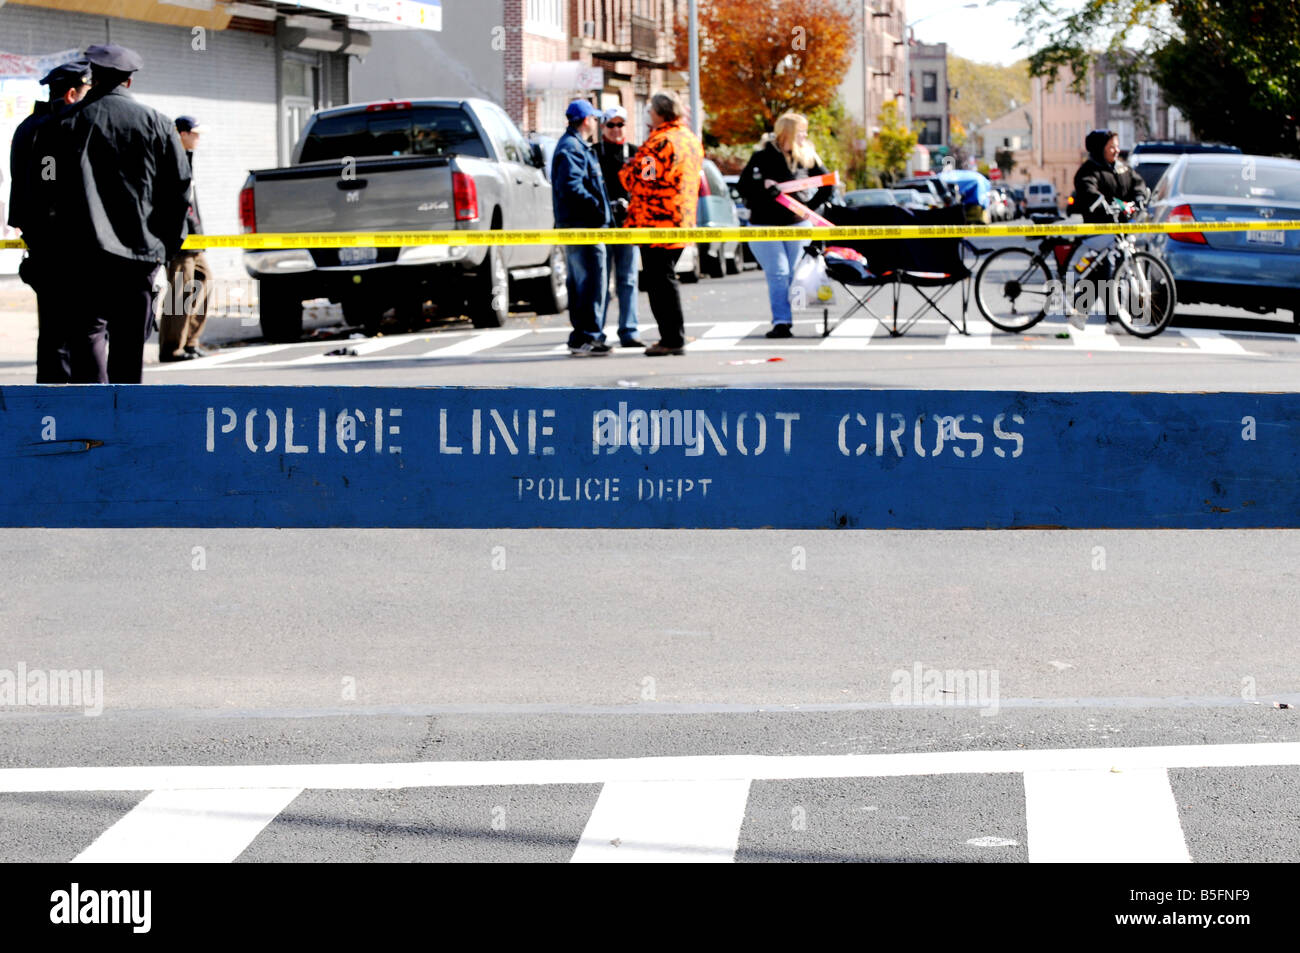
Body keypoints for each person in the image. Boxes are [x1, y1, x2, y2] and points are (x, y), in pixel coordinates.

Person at [41, 44, 190, 384]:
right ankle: (125, 421)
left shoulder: (63, 124)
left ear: (92, 77)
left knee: (87, 337)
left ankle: (93, 421)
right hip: (138, 256)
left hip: (80, 256)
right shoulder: (158, 124)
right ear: (129, 82)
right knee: (129, 343)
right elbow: (179, 189)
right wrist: (165, 247)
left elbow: (46, 188)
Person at [7, 60, 92, 383]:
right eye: (86, 92)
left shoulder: (27, 126)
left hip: (41, 244)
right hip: (69, 244)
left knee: (53, 331)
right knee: (77, 333)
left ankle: (51, 403)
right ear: (72, 94)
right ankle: (71, 408)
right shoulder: (60, 127)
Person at [618, 91, 703, 356]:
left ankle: (672, 338)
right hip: (680, 220)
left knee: (660, 283)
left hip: (655, 222)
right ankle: (673, 336)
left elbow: (642, 181)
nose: (647, 115)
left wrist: (625, 169)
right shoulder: (690, 139)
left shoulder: (659, 143)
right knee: (664, 280)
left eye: (650, 111)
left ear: (658, 113)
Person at [736, 112, 834, 338]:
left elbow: (827, 184)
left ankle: (787, 315)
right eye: (801, 131)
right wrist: (764, 187)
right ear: (787, 132)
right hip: (764, 225)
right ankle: (782, 322)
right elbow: (743, 187)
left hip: (797, 225)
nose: (805, 135)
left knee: (792, 274)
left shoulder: (807, 156)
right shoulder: (762, 156)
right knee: (778, 273)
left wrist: (809, 207)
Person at [1069, 129, 1150, 328]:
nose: (1116, 150)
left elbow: (1138, 184)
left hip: (1121, 231)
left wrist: (1139, 197)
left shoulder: (1123, 168)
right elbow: (1088, 190)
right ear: (1099, 149)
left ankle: (1081, 312)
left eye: (1117, 145)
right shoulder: (1089, 170)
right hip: (1099, 231)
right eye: (1111, 146)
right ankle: (1116, 320)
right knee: (1109, 271)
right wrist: (1106, 203)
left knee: (1106, 270)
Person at [551, 99, 613, 357]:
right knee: (589, 282)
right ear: (586, 120)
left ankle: (585, 335)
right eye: (595, 118)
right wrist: (597, 207)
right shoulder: (572, 148)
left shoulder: (575, 147)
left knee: (585, 281)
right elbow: (572, 187)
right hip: (583, 226)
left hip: (581, 225)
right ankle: (588, 335)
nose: (597, 123)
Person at [159, 115, 213, 362]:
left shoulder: (187, 159)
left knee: (204, 281)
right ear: (182, 134)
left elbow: (190, 202)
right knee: (181, 291)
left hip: (194, 237)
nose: (198, 138)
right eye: (195, 133)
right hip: (179, 239)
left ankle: (190, 341)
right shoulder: (169, 158)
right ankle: (172, 347)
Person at [595, 105, 642, 347]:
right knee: (601, 281)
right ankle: (597, 332)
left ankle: (629, 331)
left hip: (628, 225)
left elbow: (651, 183)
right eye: (611, 125)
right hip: (602, 225)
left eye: (620, 124)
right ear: (602, 126)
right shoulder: (593, 152)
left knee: (628, 279)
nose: (615, 130)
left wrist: (630, 203)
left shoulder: (637, 153)